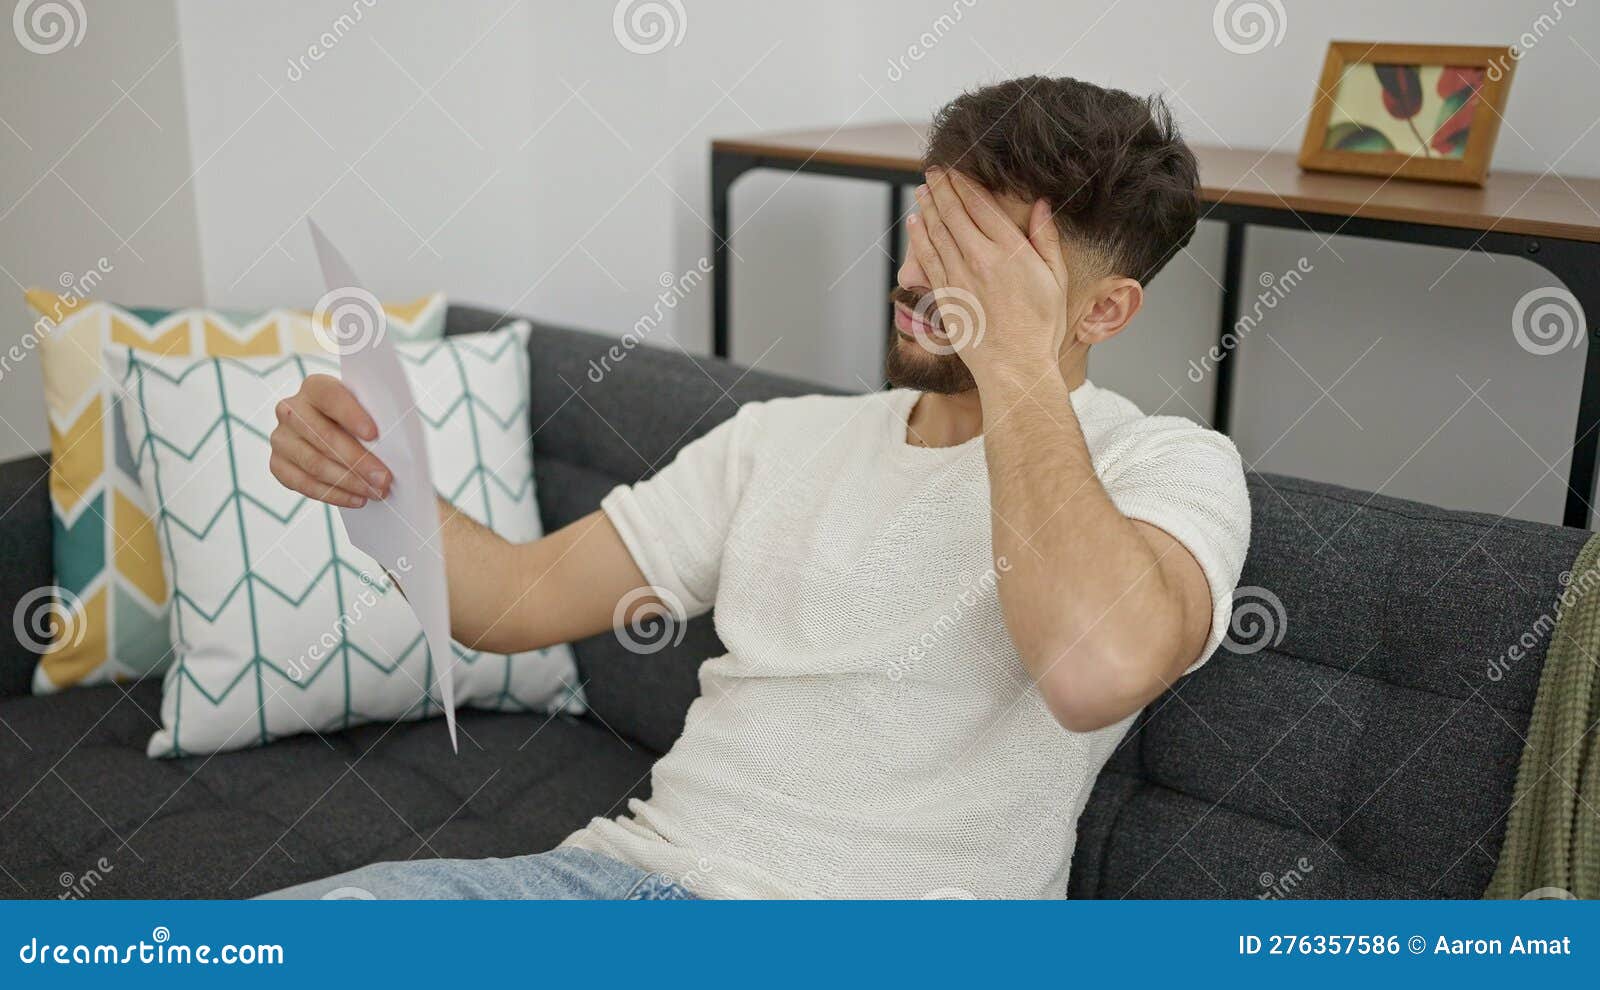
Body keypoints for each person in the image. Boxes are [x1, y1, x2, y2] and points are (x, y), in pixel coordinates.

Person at [262, 75, 1250, 900]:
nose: (920, 281)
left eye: (983, 265)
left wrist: (1018, 366)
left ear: (1106, 310)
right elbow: (509, 601)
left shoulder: (1165, 467)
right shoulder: (781, 441)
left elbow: (1092, 672)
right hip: (621, 890)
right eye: (928, 236)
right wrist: (368, 483)